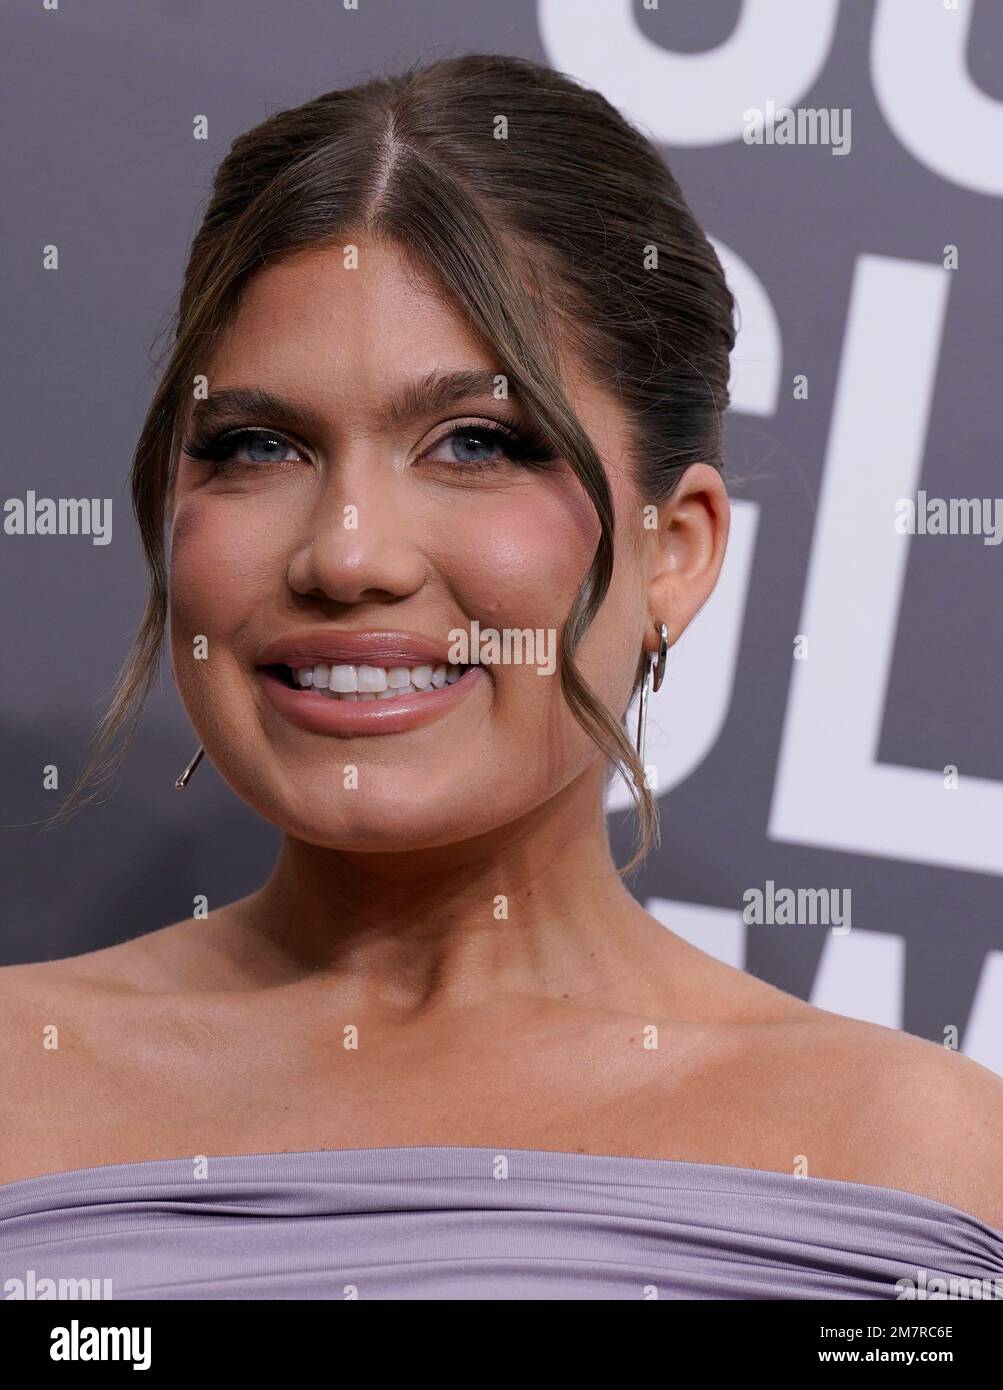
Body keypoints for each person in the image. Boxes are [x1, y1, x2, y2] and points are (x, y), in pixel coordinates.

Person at [2, 53, 1001, 1301]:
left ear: (674, 551)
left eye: (476, 443)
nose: (347, 554)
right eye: (258, 446)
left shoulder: (921, 1167)